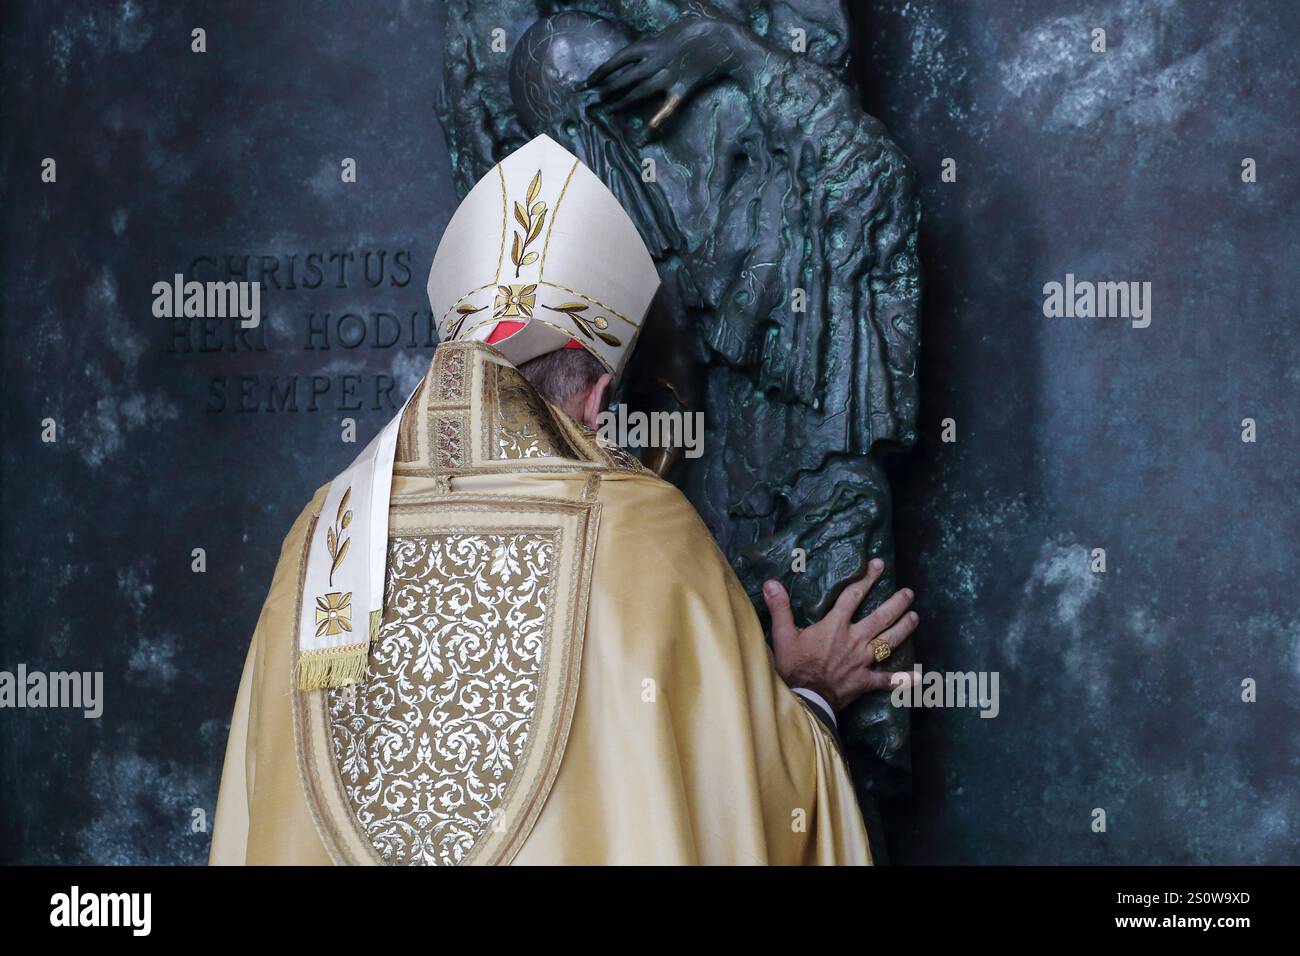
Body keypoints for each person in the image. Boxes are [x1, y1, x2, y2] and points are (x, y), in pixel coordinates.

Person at [209, 134, 916, 865]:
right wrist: (809, 695)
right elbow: (752, 808)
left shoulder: (324, 538)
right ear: (600, 399)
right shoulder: (644, 531)